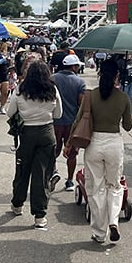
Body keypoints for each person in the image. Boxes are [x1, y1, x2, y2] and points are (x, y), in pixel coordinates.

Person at [67, 57, 132, 244]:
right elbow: (128, 126)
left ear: (100, 73)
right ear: (117, 75)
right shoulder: (123, 98)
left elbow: (78, 120)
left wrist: (69, 143)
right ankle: (113, 221)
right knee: (115, 185)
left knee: (95, 188)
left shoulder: (91, 95)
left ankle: (99, 232)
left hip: (94, 143)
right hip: (114, 144)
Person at [7, 59, 62, 230]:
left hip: (26, 134)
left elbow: (10, 112)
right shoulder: (52, 89)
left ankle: (17, 204)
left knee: (23, 170)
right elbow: (58, 114)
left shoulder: (20, 89)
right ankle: (40, 216)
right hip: (47, 133)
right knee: (42, 174)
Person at [49, 54, 86, 192]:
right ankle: (70, 181)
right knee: (72, 153)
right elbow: (81, 104)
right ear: (74, 67)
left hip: (54, 121)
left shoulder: (52, 79)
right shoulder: (79, 82)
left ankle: (53, 172)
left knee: (52, 150)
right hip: (72, 122)